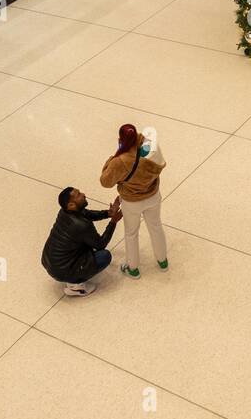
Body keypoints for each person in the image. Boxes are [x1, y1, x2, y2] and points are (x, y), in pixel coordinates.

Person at [100, 123, 169, 277]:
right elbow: (161, 165)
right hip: (153, 196)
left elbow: (105, 181)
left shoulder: (121, 160)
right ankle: (163, 261)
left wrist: (112, 158)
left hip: (131, 202)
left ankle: (133, 268)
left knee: (131, 234)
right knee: (156, 227)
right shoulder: (151, 146)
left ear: (120, 139)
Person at [41, 187, 122, 297]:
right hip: (62, 270)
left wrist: (108, 213)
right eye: (78, 195)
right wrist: (113, 222)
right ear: (71, 205)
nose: (83, 194)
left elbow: (87, 214)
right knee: (104, 256)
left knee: (87, 243)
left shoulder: (64, 211)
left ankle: (73, 275)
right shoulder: (81, 225)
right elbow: (101, 244)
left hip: (49, 261)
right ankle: (76, 286)